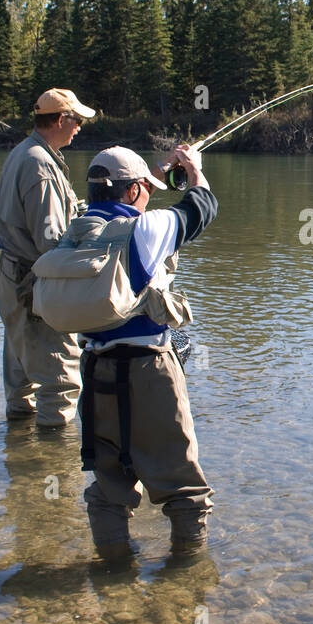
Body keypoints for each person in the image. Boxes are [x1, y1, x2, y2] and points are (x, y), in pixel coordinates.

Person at [75, 142, 218, 561]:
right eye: (143, 188)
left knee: (109, 484)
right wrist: (194, 169)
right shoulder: (147, 230)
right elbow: (202, 207)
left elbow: (129, 213)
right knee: (183, 485)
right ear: (135, 189)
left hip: (96, 370)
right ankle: (185, 573)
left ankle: (114, 569)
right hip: (150, 371)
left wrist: (146, 185)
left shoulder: (74, 230)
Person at [0, 87, 95, 426]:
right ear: (61, 120)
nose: (80, 126)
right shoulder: (40, 165)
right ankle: (55, 468)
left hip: (12, 278)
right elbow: (50, 245)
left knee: (21, 378)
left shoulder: (26, 152)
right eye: (77, 120)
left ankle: (22, 457)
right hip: (31, 285)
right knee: (62, 383)